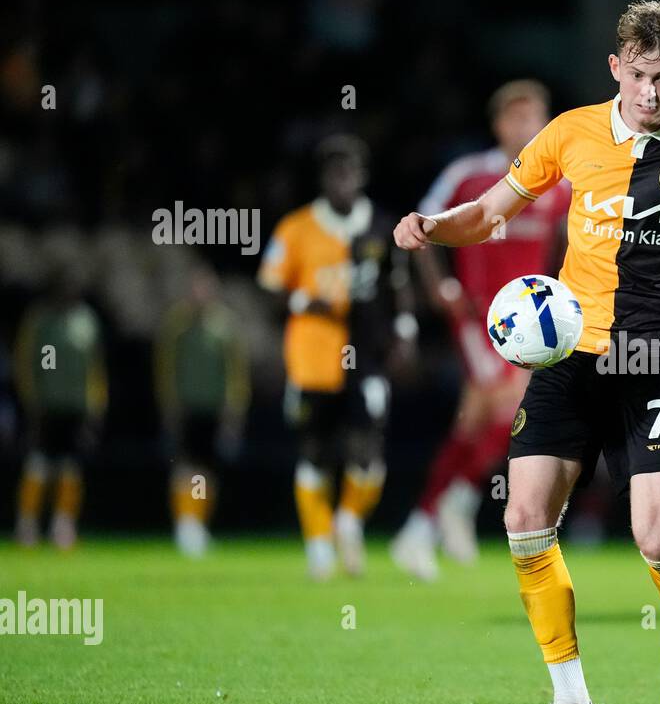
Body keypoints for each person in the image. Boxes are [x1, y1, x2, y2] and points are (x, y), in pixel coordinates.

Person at [395, 0, 660, 704]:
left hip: (655, 355)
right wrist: (433, 229)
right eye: (638, 75)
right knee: (524, 519)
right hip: (568, 351)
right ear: (615, 67)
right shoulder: (570, 132)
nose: (650, 93)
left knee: (657, 539)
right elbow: (492, 208)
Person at [390, 80, 570, 581]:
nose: (525, 126)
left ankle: (423, 524)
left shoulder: (558, 183)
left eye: (534, 116)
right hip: (479, 317)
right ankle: (452, 508)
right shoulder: (470, 175)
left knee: (476, 425)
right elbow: (421, 222)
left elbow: (569, 242)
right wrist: (438, 287)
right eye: (515, 117)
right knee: (509, 409)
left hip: (534, 326)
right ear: (498, 125)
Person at [259, 135, 416, 579]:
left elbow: (399, 286)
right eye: (333, 171)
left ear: (362, 175)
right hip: (312, 357)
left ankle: (348, 520)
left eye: (350, 170)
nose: (342, 179)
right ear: (322, 178)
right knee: (314, 449)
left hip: (367, 355)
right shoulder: (296, 228)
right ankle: (318, 542)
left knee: (369, 448)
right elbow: (270, 291)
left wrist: (405, 331)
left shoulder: (381, 228)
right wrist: (303, 303)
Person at [154, 265, 250, 557]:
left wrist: (234, 408)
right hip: (185, 408)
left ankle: (197, 524)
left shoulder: (224, 326)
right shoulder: (176, 325)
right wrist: (169, 403)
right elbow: (165, 367)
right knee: (185, 466)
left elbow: (236, 371)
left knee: (207, 470)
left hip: (214, 409)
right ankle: (185, 524)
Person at [13, 270, 107, 550]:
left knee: (69, 468)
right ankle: (27, 524)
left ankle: (63, 525)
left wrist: (97, 402)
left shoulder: (86, 320)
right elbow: (27, 360)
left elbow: (95, 365)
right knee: (39, 465)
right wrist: (32, 397)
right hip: (45, 406)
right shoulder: (40, 319)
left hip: (76, 407)